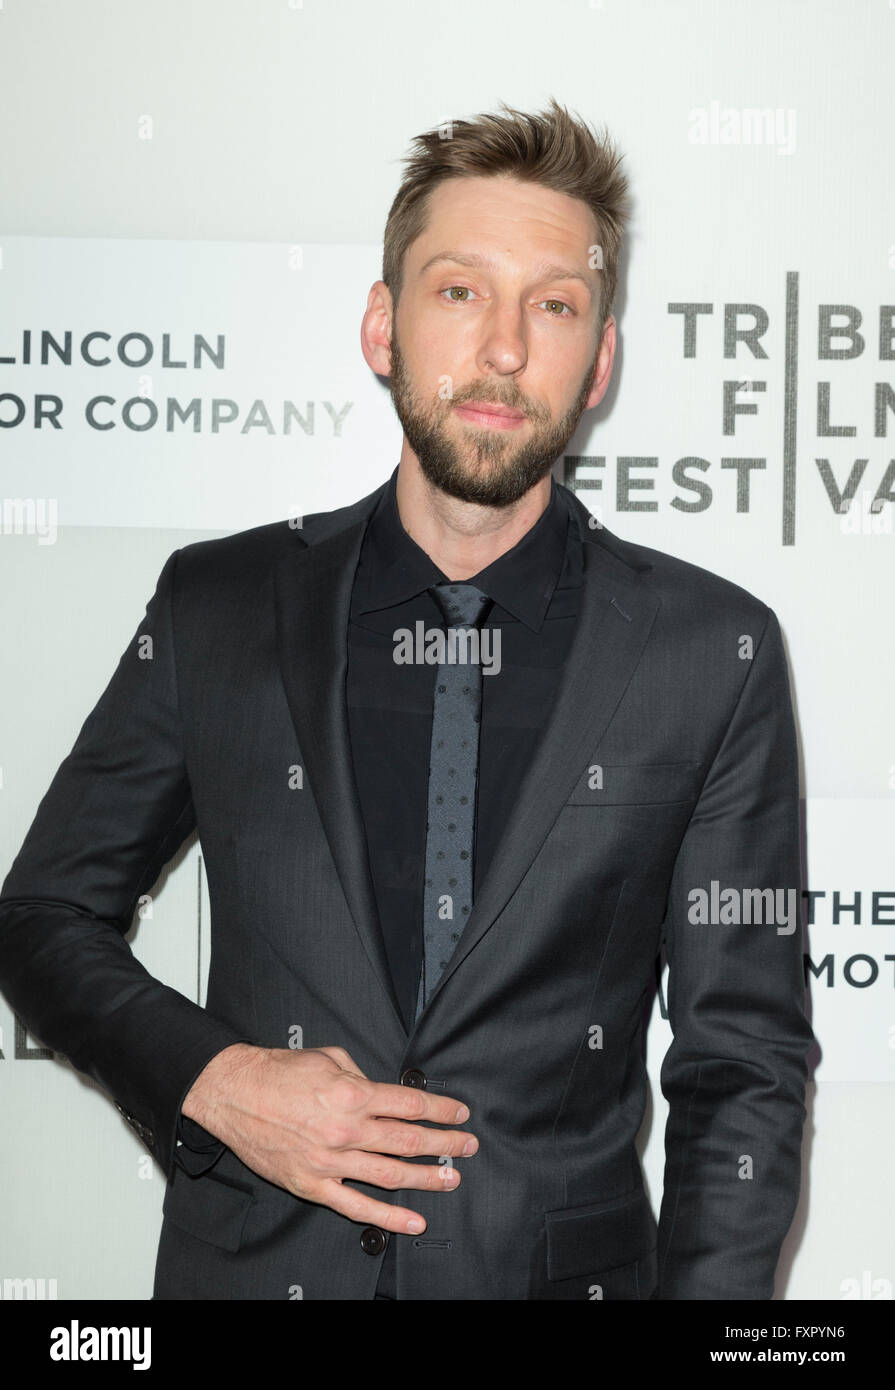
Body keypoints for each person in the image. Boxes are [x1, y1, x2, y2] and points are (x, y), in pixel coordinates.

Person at [0, 99, 813, 1300]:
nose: (501, 349)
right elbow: (42, 916)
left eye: (553, 304)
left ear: (600, 363)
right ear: (381, 326)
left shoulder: (709, 651)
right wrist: (217, 1082)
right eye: (457, 291)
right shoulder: (221, 605)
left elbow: (744, 1063)